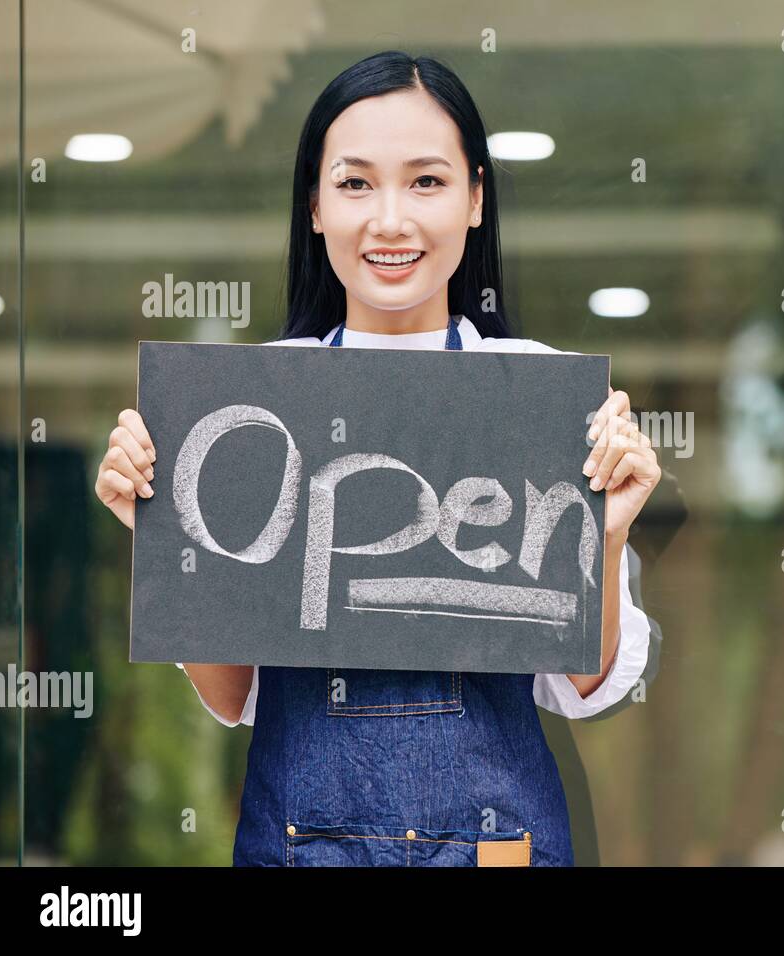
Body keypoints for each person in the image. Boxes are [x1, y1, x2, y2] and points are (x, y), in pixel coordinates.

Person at [93, 51, 662, 866]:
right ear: (315, 207)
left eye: (426, 182)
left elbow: (584, 687)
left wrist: (603, 539)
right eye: (355, 184)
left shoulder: (544, 397)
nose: (390, 220)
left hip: (497, 848)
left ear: (475, 199)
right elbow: (231, 693)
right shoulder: (250, 407)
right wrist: (162, 530)